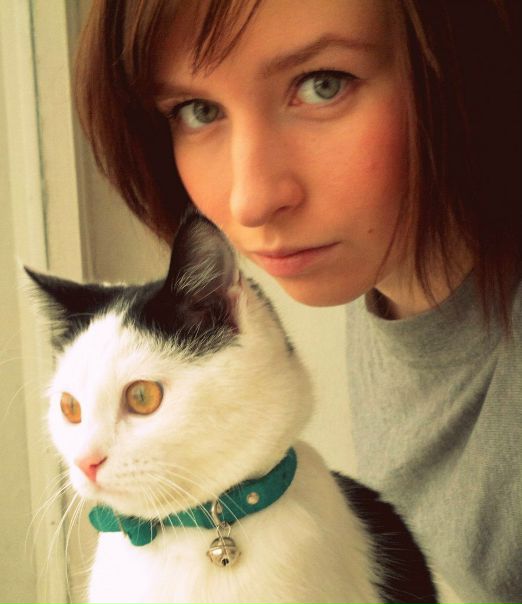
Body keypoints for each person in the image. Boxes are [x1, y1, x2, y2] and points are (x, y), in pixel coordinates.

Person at [74, 0, 521, 601]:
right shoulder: (383, 279)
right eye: (198, 110)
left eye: (322, 84)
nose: (251, 199)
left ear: (458, 62)